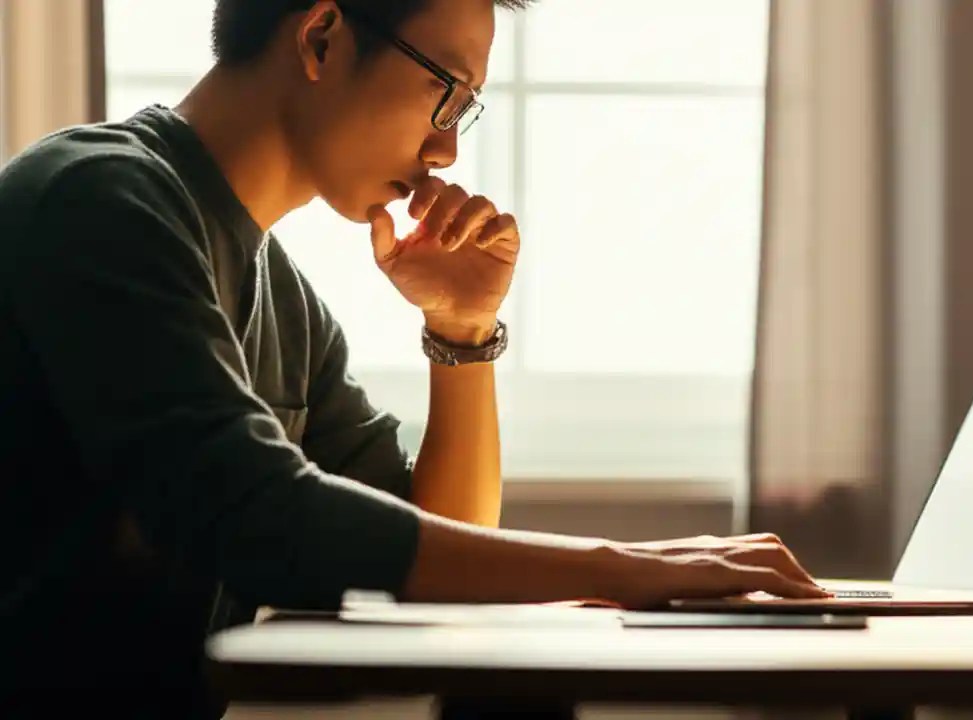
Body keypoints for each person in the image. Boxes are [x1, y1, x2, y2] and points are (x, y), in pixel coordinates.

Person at [0, 0, 827, 715]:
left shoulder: (280, 297)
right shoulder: (96, 199)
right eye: (447, 95)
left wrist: (462, 334)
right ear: (322, 36)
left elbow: (436, 549)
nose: (445, 154)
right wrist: (626, 566)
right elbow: (256, 516)